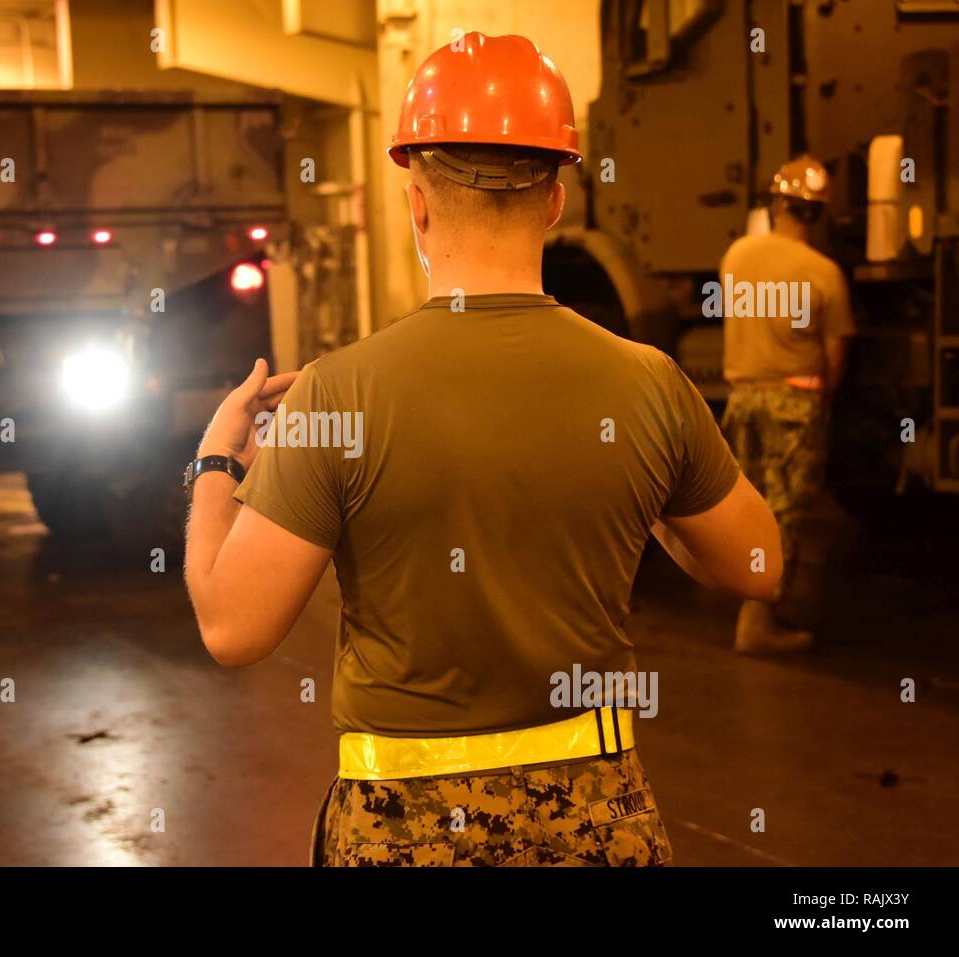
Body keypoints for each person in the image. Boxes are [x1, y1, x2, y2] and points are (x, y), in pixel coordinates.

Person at [183, 32, 781, 867]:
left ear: (416, 204)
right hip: (599, 827)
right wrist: (644, 500)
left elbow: (232, 627)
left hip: (404, 836)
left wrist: (217, 462)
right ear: (555, 201)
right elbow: (757, 567)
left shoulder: (338, 394)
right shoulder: (650, 382)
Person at [720, 156, 854, 655]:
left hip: (742, 398)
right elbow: (835, 356)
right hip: (794, 403)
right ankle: (756, 621)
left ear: (776, 204)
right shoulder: (825, 274)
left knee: (749, 507)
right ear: (817, 215)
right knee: (784, 514)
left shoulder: (735, 256)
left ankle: (743, 601)